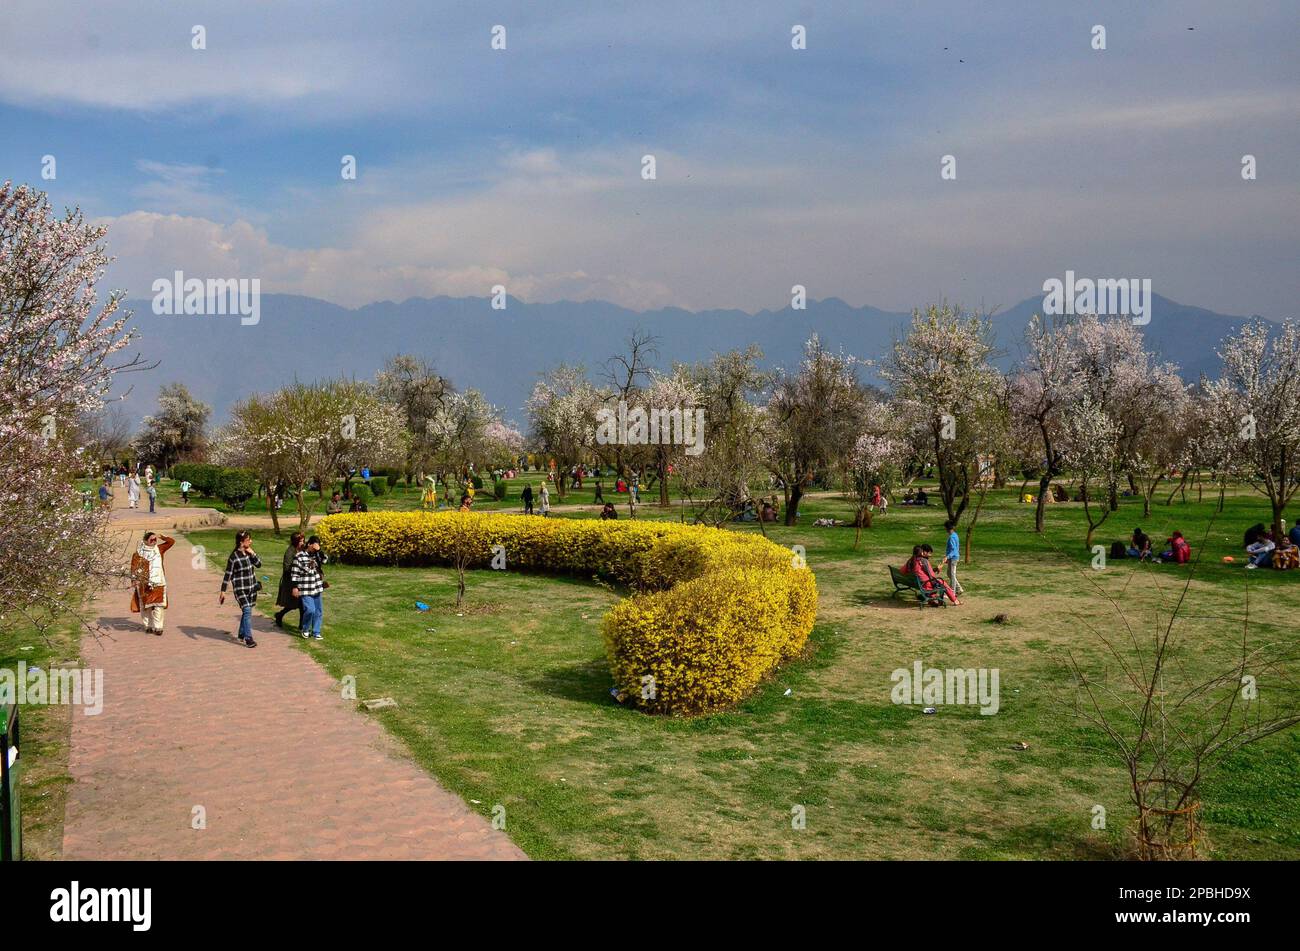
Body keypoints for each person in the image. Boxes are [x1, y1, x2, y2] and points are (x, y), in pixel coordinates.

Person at [220, 530, 262, 647]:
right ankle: (249, 639)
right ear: (241, 542)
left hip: (251, 588)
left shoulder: (249, 553)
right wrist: (223, 591)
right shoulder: (233, 557)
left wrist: (253, 553)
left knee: (247, 611)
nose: (251, 541)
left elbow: (259, 564)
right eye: (248, 540)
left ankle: (242, 633)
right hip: (240, 589)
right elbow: (227, 574)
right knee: (247, 610)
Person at [130, 531, 175, 635]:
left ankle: (158, 627)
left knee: (159, 605)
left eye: (155, 540)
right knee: (146, 607)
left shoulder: (159, 549)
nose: (154, 541)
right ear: (145, 541)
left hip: (158, 582)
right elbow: (133, 568)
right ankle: (148, 626)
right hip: (143, 584)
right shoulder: (138, 554)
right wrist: (133, 580)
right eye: (152, 540)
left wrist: (163, 537)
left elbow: (171, 542)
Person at [291, 536, 327, 639]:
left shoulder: (317, 555)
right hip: (305, 588)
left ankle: (316, 632)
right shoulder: (299, 556)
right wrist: (295, 587)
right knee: (310, 610)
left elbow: (325, 559)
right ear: (309, 544)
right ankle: (305, 628)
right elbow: (294, 573)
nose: (315, 548)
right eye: (314, 546)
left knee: (318, 611)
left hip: (317, 587)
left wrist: (319, 551)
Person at [274, 532, 306, 629]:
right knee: (293, 604)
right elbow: (287, 568)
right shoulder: (289, 552)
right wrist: (297, 567)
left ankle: (301, 625)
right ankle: (280, 615)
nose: (303, 543)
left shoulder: (301, 550)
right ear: (296, 541)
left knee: (302, 604)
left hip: (300, 581)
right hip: (290, 582)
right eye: (301, 541)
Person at [939, 520, 964, 596]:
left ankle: (952, 592)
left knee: (952, 575)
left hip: (953, 558)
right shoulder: (955, 535)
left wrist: (947, 557)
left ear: (947, 528)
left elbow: (953, 550)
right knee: (949, 574)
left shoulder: (952, 537)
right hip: (952, 558)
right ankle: (959, 588)